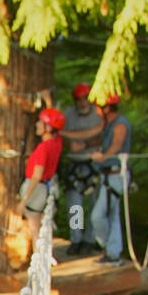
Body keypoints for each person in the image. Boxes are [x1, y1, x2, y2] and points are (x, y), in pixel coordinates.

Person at [59, 84, 105, 258]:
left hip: (93, 163)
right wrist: (69, 143)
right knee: (75, 206)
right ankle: (76, 239)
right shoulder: (69, 115)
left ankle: (89, 240)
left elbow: (103, 135)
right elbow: (59, 135)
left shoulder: (99, 114)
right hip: (75, 163)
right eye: (78, 99)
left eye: (85, 98)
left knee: (95, 204)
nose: (82, 102)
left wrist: (84, 144)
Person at [88, 95, 132, 266]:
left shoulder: (119, 124)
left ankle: (102, 246)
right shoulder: (105, 124)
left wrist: (102, 157)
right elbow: (95, 136)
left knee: (96, 215)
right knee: (105, 214)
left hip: (113, 175)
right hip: (102, 175)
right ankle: (80, 241)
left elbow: (116, 144)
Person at [16, 107, 65, 246]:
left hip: (36, 189)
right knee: (43, 227)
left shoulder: (43, 148)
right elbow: (58, 126)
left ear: (48, 127)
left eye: (40, 122)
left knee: (35, 228)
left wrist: (23, 200)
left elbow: (36, 176)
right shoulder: (57, 143)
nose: (37, 124)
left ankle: (38, 260)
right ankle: (44, 258)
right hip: (47, 187)